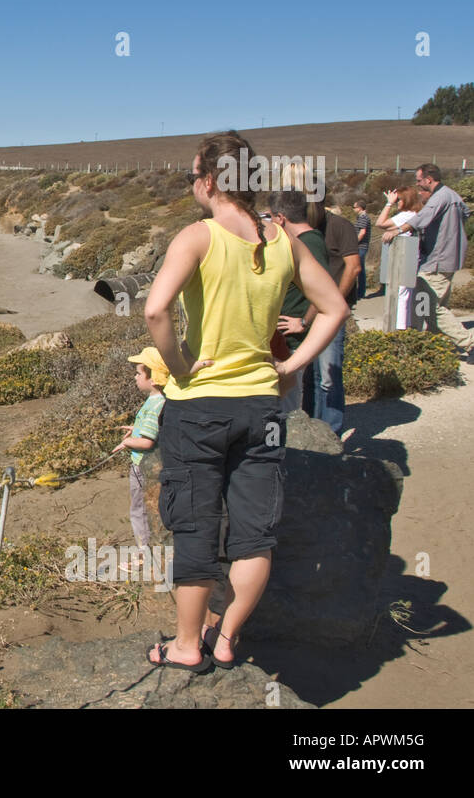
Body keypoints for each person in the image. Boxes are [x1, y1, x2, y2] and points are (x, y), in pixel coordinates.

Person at [143, 131, 346, 673]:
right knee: (255, 533)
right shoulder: (283, 240)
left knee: (195, 526)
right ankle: (227, 636)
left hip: (199, 408)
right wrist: (289, 366)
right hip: (264, 408)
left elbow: (155, 311)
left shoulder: (197, 237)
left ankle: (187, 647)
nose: (191, 185)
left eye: (192, 176)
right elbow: (334, 309)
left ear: (210, 181)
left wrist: (181, 368)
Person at [384, 164, 474, 356]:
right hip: (450, 258)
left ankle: (469, 343)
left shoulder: (441, 197)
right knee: (434, 307)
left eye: (419, 180)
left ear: (429, 179)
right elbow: (466, 214)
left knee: (430, 308)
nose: (418, 184)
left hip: (436, 261)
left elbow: (422, 218)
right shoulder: (454, 196)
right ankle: (432, 347)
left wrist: (399, 230)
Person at [266, 191, 330, 415]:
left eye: (272, 218)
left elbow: (326, 293)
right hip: (286, 337)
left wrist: (303, 321)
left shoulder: (308, 243)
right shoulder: (307, 241)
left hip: (294, 339)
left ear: (281, 218)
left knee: (287, 404)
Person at [301, 199, 359, 434]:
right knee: (309, 375)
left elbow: (353, 267)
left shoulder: (339, 226)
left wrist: (334, 300)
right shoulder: (304, 228)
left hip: (329, 313)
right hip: (308, 311)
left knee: (328, 375)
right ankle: (311, 428)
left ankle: (331, 431)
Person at [112, 348, 168, 567]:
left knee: (140, 510)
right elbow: (150, 431)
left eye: (138, 373)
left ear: (153, 379)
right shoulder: (160, 400)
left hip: (143, 467)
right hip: (150, 467)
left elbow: (147, 442)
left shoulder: (156, 405)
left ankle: (144, 553)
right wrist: (136, 429)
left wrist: (127, 442)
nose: (135, 377)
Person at [377, 187, 423, 329]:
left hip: (403, 257)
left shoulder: (407, 215)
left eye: (399, 199)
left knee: (401, 293)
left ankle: (400, 327)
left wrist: (388, 204)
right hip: (412, 257)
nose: (397, 202)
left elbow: (380, 223)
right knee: (407, 293)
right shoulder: (416, 213)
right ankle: (406, 325)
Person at [352, 199, 371, 299]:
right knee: (360, 269)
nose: (353, 209)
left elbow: (362, 232)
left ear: (359, 208)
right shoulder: (361, 217)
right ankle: (360, 292)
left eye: (354, 207)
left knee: (359, 269)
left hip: (361, 247)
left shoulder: (363, 218)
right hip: (361, 246)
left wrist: (354, 242)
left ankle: (360, 293)